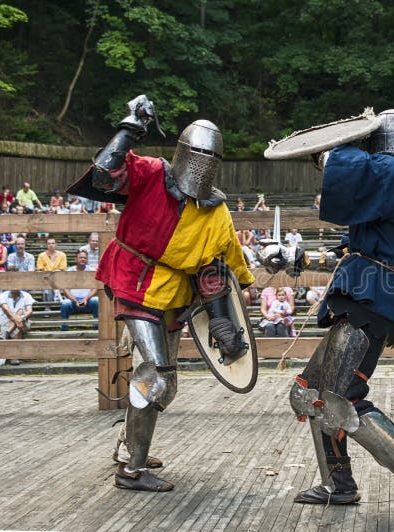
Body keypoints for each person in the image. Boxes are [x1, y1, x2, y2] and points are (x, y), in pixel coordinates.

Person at [275, 109, 394, 518]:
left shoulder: (393, 171)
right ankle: (339, 484)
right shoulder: (391, 185)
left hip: (373, 302)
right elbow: (355, 247)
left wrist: (331, 150)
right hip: (364, 299)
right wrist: (299, 256)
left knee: (340, 399)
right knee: (310, 394)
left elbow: (350, 170)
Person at [74, 111, 253, 492]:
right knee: (157, 377)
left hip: (174, 298)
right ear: (184, 152)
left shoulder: (216, 210)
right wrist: (128, 129)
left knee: (165, 383)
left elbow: (224, 260)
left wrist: (237, 301)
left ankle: (129, 448)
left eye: (212, 159)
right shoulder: (152, 173)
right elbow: (106, 175)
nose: (204, 165)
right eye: (199, 155)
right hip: (133, 282)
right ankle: (132, 471)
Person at [59, 250, 98, 331]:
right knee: (64, 303)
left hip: (88, 300)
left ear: (87, 260)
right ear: (76, 259)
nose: (83, 259)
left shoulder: (92, 271)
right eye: (80, 257)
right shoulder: (69, 271)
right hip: (72, 301)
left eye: (85, 258)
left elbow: (95, 288)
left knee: (96, 301)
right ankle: (64, 329)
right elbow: (65, 289)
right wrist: (75, 300)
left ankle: (97, 327)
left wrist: (86, 299)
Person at [0, 289, 34, 365]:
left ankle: (5, 334)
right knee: (17, 328)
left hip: (23, 322)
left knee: (20, 311)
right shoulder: (3, 295)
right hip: (7, 322)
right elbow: (6, 310)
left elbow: (30, 311)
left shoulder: (26, 295)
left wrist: (21, 318)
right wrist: (17, 320)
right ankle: (14, 357)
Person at [36, 236, 67, 304]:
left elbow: (62, 268)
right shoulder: (41, 255)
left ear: (56, 244)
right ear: (46, 245)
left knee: (53, 281)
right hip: (45, 278)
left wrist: (53, 275)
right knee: (47, 284)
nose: (51, 245)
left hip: (59, 277)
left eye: (53, 243)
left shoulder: (62, 255)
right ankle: (55, 298)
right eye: (49, 243)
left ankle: (49, 305)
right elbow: (40, 269)